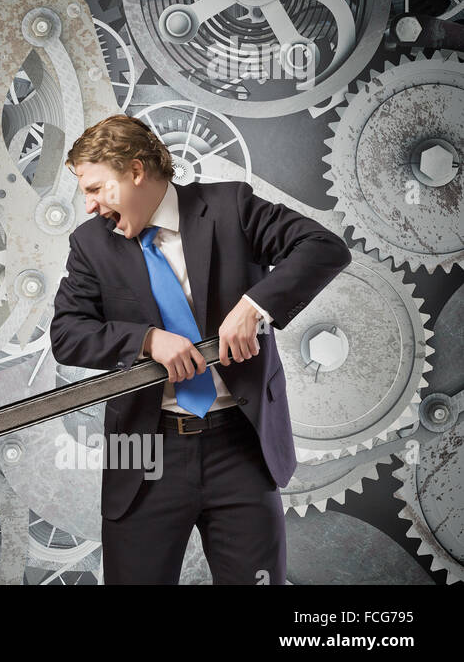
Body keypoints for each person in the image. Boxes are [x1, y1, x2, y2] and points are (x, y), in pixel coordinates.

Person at [49, 114, 350, 584]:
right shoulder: (90, 244)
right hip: (143, 449)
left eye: (96, 189)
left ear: (135, 171)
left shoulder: (230, 206)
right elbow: (67, 334)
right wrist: (146, 340)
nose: (88, 206)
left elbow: (322, 246)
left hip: (241, 445)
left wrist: (255, 305)